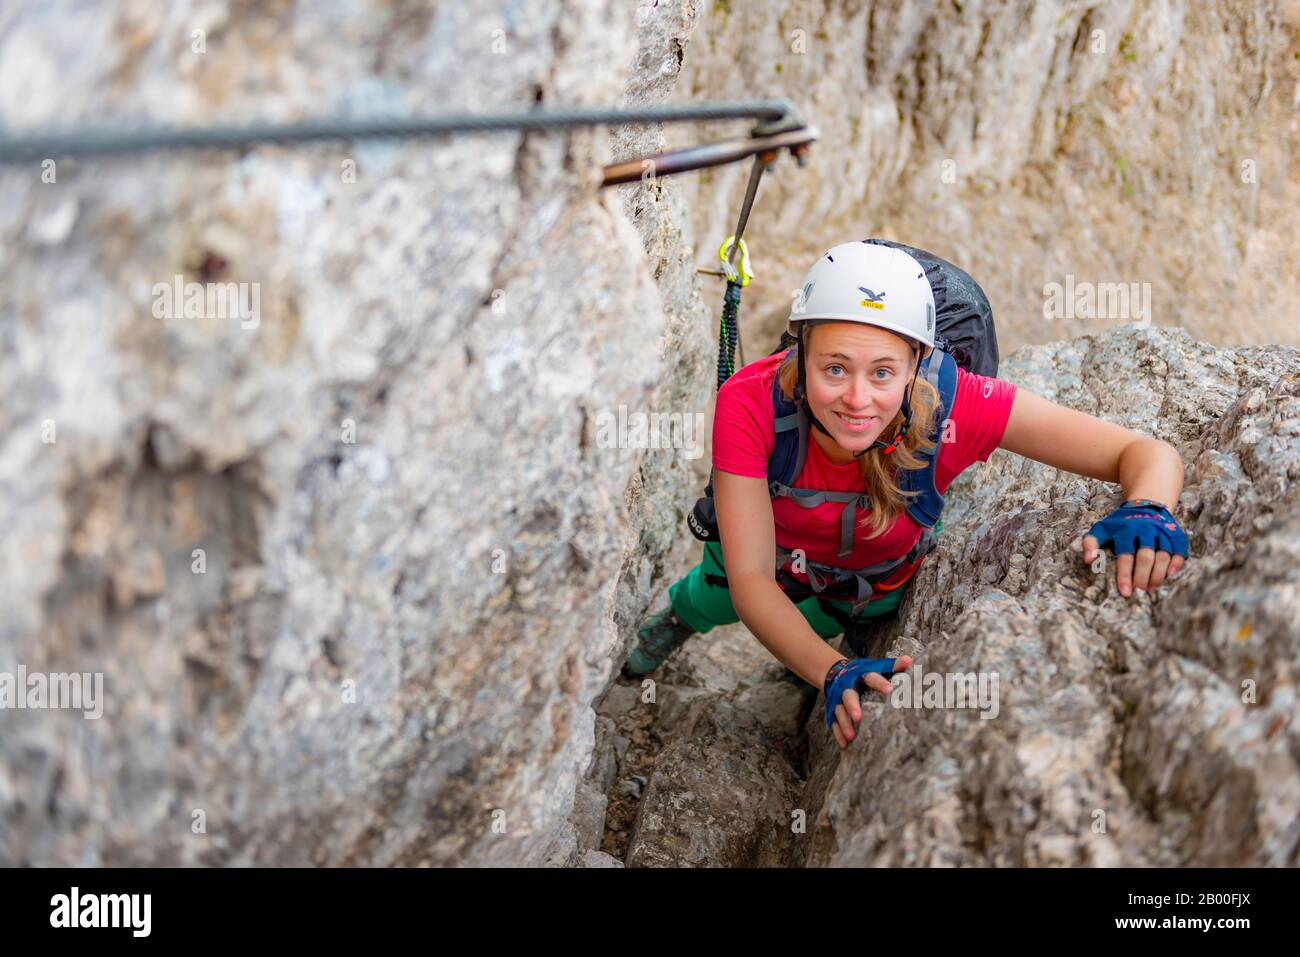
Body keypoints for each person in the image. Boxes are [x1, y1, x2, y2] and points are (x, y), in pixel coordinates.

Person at [622, 241, 1189, 751]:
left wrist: (1148, 506)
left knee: (813, 630)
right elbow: (750, 581)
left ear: (918, 362)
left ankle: (802, 652)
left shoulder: (960, 403)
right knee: (714, 596)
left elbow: (1141, 453)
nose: (857, 399)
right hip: (766, 559)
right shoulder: (750, 401)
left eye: (883, 372)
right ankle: (680, 616)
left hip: (869, 584)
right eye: (835, 368)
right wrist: (833, 672)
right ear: (800, 351)